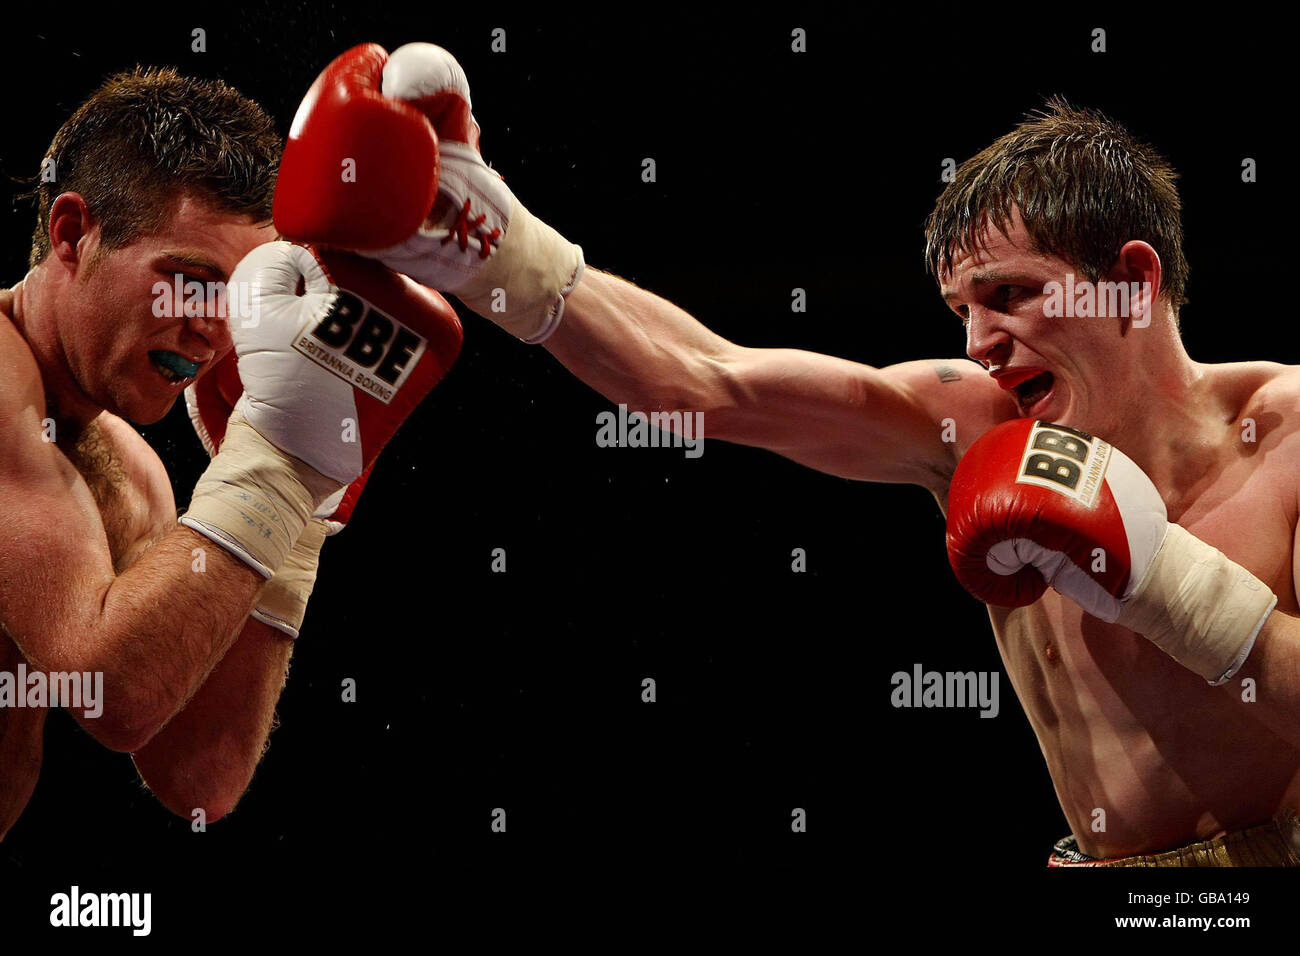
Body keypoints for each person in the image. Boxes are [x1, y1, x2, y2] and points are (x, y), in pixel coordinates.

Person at [297, 42, 1300, 866]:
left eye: (1009, 294)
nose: (977, 341)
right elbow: (705, 382)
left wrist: (1166, 579)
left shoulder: (1289, 431)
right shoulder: (976, 430)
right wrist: (493, 248)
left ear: (1128, 281)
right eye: (961, 309)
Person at [0, 66, 460, 840]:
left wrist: (298, 506)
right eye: (190, 282)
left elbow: (199, 778)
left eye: (241, 300)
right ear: (74, 233)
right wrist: (273, 464)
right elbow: (111, 693)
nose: (214, 329)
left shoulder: (130, 469)